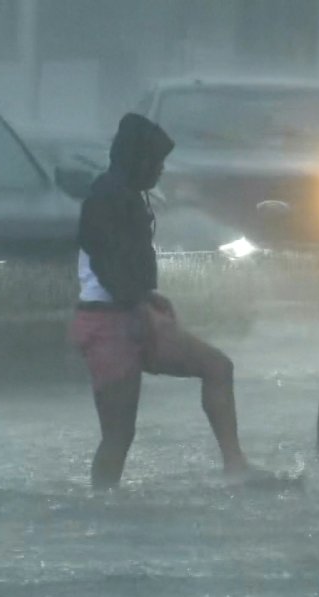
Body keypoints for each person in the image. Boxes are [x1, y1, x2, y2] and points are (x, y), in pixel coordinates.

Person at [71, 113, 252, 490]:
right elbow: (107, 268)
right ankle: (100, 505)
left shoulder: (125, 194)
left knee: (217, 367)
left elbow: (123, 268)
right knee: (118, 435)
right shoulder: (105, 199)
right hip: (109, 326)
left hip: (130, 315)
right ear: (138, 160)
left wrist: (148, 299)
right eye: (156, 162)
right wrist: (141, 308)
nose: (160, 170)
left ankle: (236, 466)